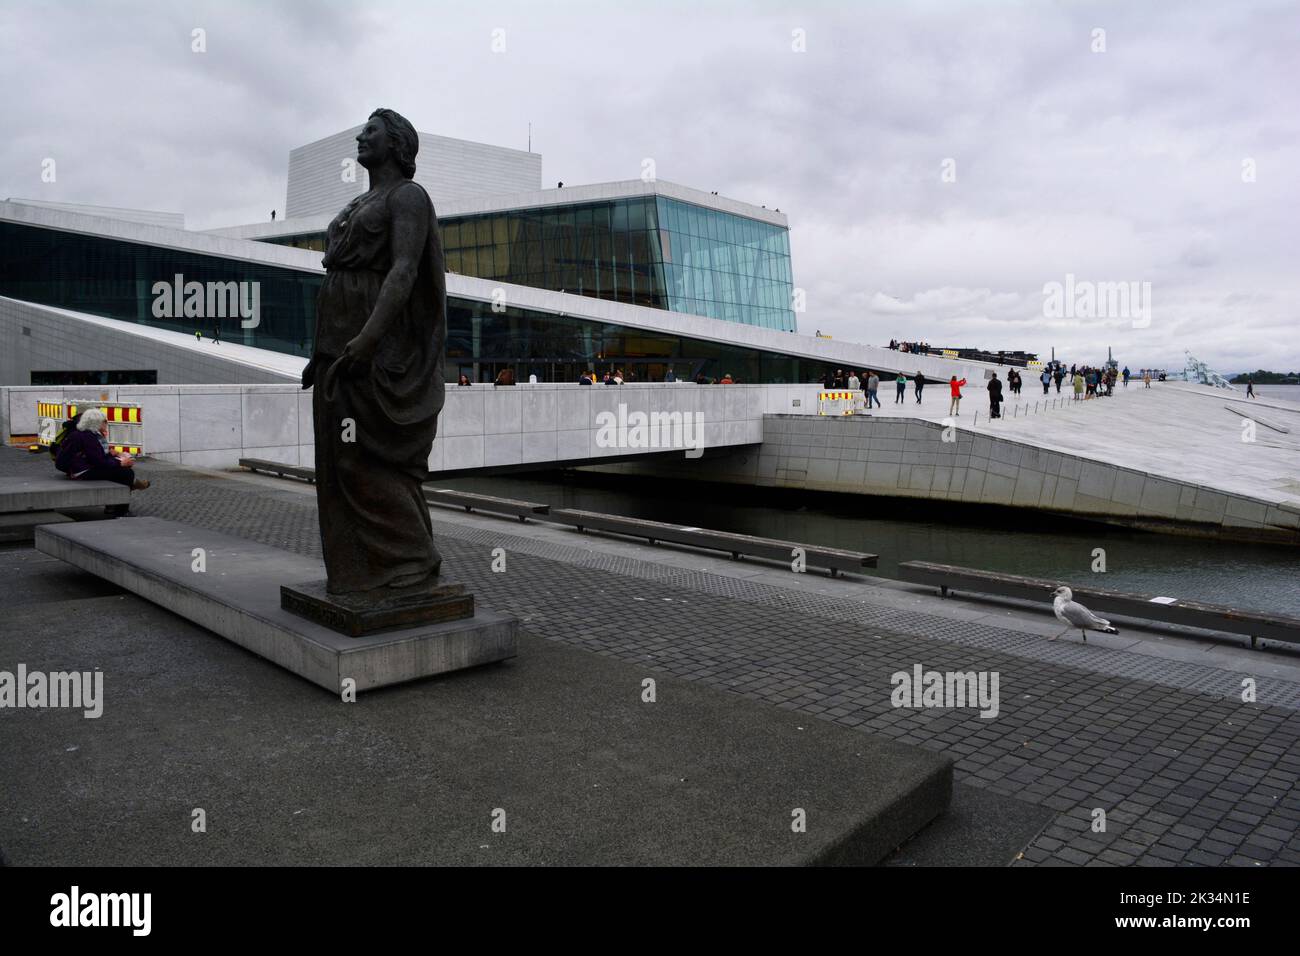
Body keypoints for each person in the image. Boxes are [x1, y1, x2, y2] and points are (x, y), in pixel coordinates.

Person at [300, 107, 449, 595]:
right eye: (362, 130)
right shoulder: (359, 201)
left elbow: (403, 271)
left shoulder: (408, 197)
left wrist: (367, 338)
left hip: (373, 350)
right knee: (340, 459)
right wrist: (319, 352)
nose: (361, 137)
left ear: (397, 144)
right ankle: (363, 567)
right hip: (337, 350)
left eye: (372, 131)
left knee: (364, 458)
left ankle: (409, 561)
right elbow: (335, 278)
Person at [55, 408, 150, 515]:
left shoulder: (84, 433)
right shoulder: (88, 436)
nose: (107, 423)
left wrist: (114, 456)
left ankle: (113, 505)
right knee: (127, 473)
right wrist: (120, 463)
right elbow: (98, 461)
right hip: (83, 471)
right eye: (104, 421)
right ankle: (121, 510)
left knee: (121, 471)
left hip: (80, 467)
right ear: (96, 423)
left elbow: (96, 455)